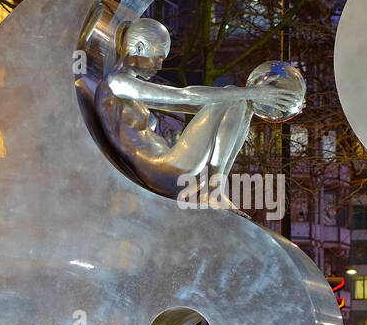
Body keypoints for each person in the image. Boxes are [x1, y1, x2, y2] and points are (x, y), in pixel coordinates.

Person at [94, 18, 303, 207]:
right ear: (139, 47)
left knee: (239, 101)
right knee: (233, 95)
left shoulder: (128, 92)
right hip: (162, 170)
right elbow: (184, 96)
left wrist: (271, 101)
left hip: (170, 166)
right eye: (158, 57)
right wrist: (250, 91)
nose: (159, 65)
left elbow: (192, 105)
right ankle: (213, 191)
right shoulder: (116, 83)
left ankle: (215, 189)